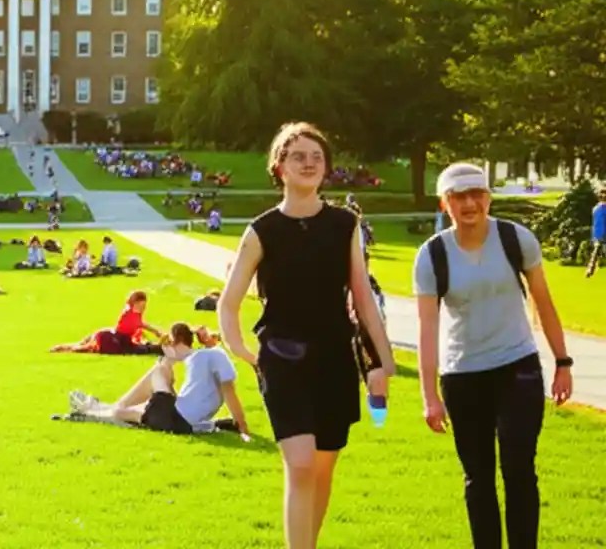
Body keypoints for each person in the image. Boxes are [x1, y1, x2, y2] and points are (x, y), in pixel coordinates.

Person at [216, 122, 395, 549]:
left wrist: (382, 363)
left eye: (317, 156)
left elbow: (364, 299)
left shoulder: (344, 224)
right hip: (282, 358)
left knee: (322, 468)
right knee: (299, 466)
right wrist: (242, 350)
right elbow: (229, 302)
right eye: (298, 156)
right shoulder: (263, 230)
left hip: (335, 357)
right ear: (279, 167)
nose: (309, 163)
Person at [413, 162, 575, 549]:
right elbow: (427, 329)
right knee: (478, 478)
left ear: (488, 197)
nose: (470, 203)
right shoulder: (432, 255)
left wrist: (563, 362)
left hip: (517, 366)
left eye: (477, 194)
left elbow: (544, 303)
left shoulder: (516, 239)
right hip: (463, 374)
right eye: (459, 197)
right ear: (445, 203)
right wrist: (429, 396)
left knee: (520, 469)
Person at [62, 324, 249, 437]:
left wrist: (243, 428)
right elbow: (194, 402)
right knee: (122, 412)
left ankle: (102, 409)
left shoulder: (213, 356)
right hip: (177, 420)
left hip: (175, 419)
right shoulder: (202, 359)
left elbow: (229, 391)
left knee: (158, 371)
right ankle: (99, 411)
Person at [50, 290, 163, 355]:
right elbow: (142, 324)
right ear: (134, 304)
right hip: (116, 340)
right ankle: (61, 348)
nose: (144, 308)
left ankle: (61, 347)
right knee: (85, 347)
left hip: (119, 337)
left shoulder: (135, 313)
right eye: (141, 305)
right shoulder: (130, 313)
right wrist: (156, 331)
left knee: (84, 345)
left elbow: (140, 326)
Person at [587, 187, 606, 279]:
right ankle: (590, 270)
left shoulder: (600, 209)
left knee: (596, 252)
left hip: (602, 234)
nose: (603, 196)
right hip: (599, 234)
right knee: (596, 252)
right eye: (601, 194)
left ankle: (590, 270)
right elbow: (595, 223)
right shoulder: (596, 208)